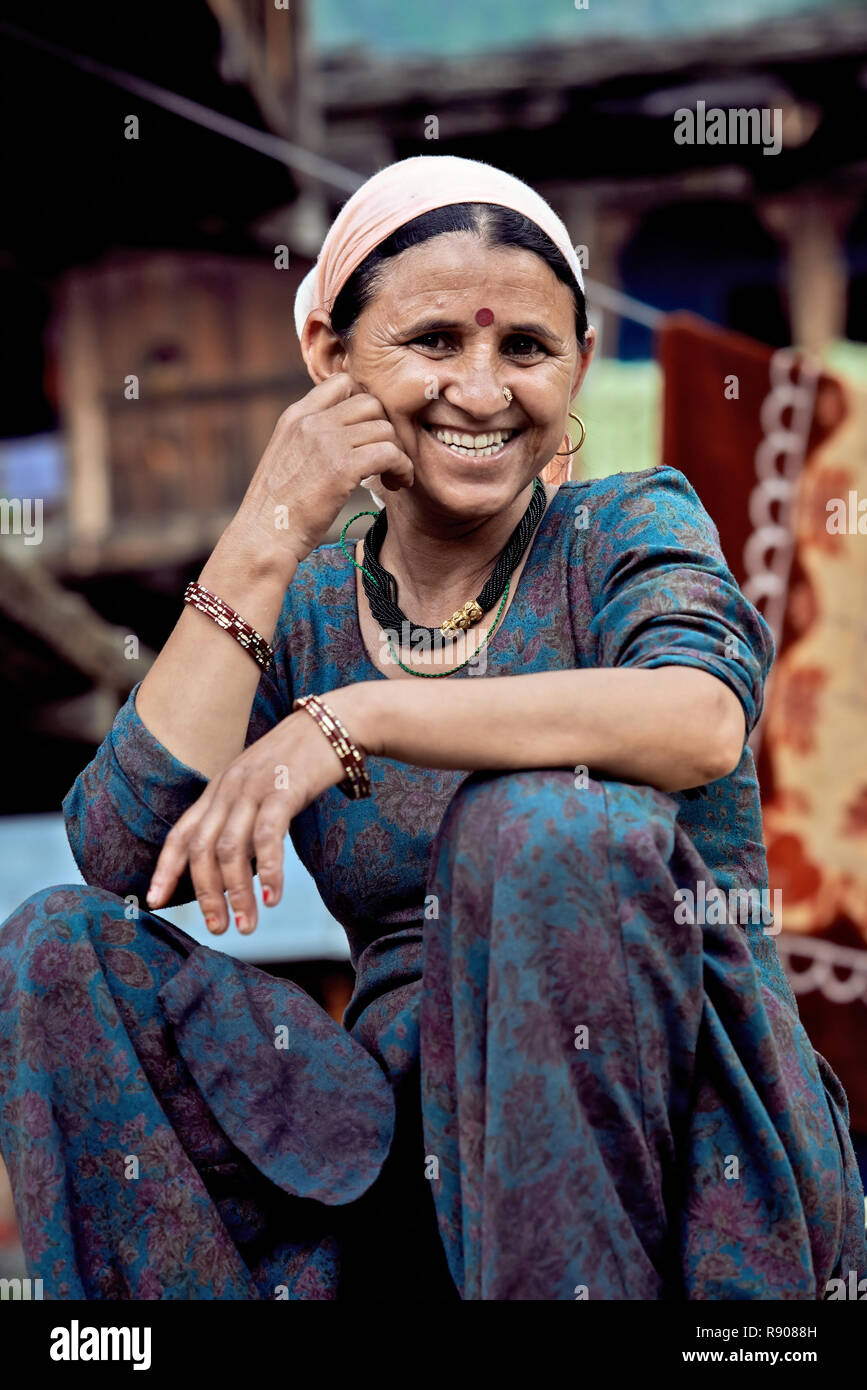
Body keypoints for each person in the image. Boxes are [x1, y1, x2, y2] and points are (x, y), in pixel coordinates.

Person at [1, 155, 864, 1301]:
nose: (483, 388)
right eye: (434, 342)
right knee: (58, 945)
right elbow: (119, 851)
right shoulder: (308, 603)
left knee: (531, 829)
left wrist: (356, 718)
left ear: (580, 367)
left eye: (525, 349)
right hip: (405, 1135)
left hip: (670, 1122)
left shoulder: (623, 526)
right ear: (328, 357)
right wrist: (266, 530)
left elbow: (700, 715)